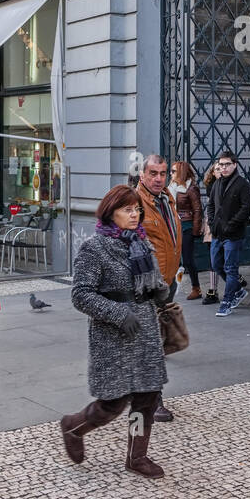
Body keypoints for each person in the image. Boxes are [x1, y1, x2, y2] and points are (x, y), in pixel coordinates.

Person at [60, 185, 181, 480]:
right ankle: (73, 427)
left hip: (145, 331)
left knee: (147, 398)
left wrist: (160, 290)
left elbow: (154, 285)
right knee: (111, 403)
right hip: (113, 335)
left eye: (137, 209)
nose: (135, 214)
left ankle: (136, 457)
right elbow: (81, 295)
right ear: (110, 213)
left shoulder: (142, 244)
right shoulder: (94, 248)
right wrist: (117, 313)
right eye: (127, 209)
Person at [135, 153, 182, 422]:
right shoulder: (134, 202)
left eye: (163, 173)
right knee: (151, 345)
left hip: (167, 282)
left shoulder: (167, 199)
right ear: (142, 175)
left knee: (156, 342)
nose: (158, 178)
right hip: (146, 286)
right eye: (152, 173)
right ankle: (152, 402)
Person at [206, 150, 250, 316]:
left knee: (230, 268)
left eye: (227, 164)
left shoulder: (242, 184)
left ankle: (226, 302)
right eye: (221, 164)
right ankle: (239, 291)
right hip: (217, 233)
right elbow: (210, 205)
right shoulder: (217, 184)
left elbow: (247, 208)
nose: (223, 167)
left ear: (235, 165)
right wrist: (212, 224)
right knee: (217, 264)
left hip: (234, 234)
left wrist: (232, 224)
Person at [169, 161, 203, 299]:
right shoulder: (171, 188)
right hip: (174, 226)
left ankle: (196, 288)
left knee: (188, 260)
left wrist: (195, 231)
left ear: (181, 172)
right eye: (171, 171)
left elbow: (197, 210)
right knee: (174, 259)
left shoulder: (191, 188)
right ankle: (172, 286)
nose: (171, 173)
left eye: (174, 171)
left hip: (186, 226)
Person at [200, 161, 221, 305]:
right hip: (213, 225)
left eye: (222, 168)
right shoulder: (212, 187)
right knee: (214, 258)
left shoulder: (233, 185)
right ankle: (213, 290)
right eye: (217, 169)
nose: (220, 171)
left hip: (227, 226)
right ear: (213, 173)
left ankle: (237, 281)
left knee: (227, 259)